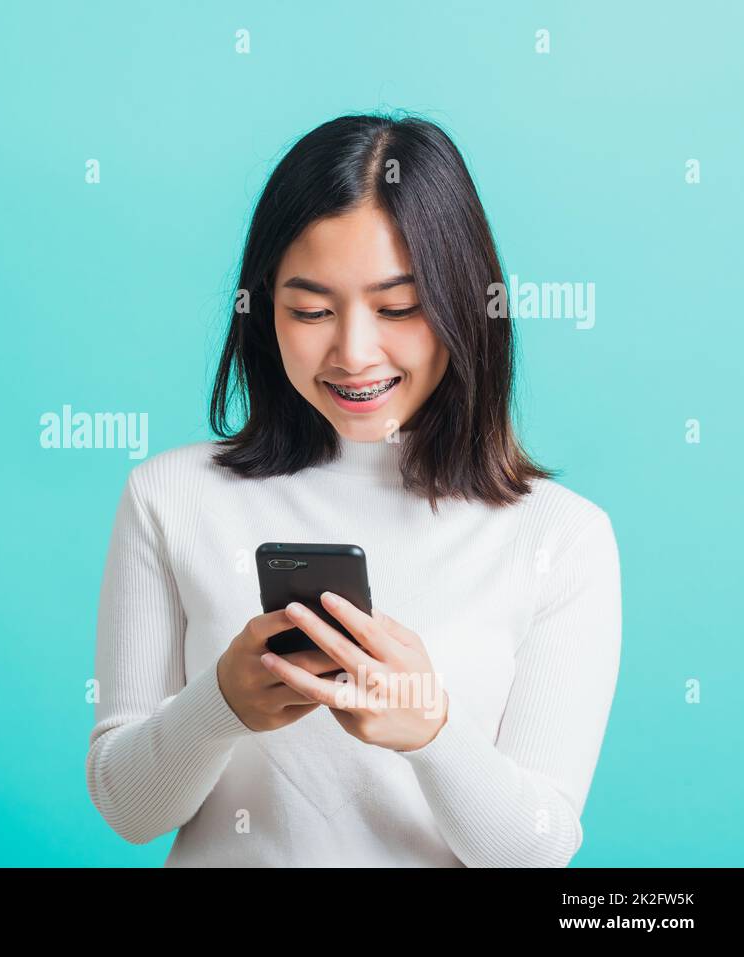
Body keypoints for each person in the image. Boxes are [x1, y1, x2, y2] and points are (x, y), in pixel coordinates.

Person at [85, 112, 622, 867]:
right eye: (310, 310)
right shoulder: (168, 497)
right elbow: (127, 808)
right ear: (262, 307)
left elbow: (536, 852)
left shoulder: (561, 538)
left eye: (398, 308)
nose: (354, 352)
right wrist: (221, 707)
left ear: (466, 303)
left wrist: (433, 733)